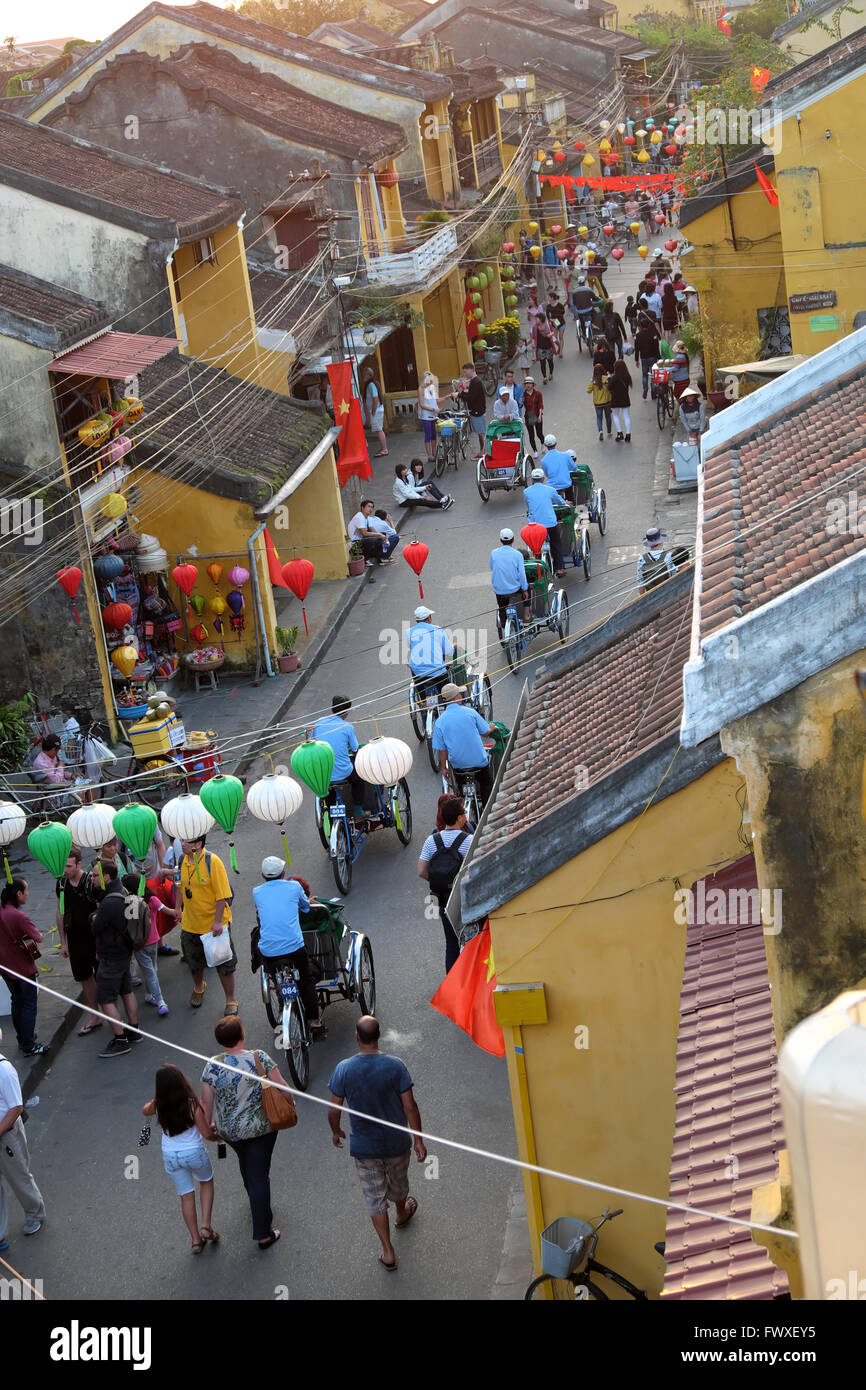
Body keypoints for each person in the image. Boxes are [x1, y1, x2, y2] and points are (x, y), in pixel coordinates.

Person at [328, 1016, 426, 1272]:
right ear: (379, 1034)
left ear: (357, 1038)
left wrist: (336, 1130)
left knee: (374, 1197)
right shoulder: (396, 1066)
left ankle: (388, 1250)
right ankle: (402, 1213)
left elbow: (333, 1108)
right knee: (398, 1183)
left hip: (365, 1148)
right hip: (396, 1143)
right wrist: (419, 1140)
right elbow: (410, 1106)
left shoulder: (344, 1069)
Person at [200, 1016, 290, 1250]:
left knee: (247, 1163)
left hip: (230, 1132)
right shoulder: (259, 1057)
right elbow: (282, 1086)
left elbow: (205, 1102)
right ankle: (263, 1233)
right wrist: (290, 1104)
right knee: (260, 1173)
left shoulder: (212, 1065)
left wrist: (208, 1128)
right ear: (242, 1035)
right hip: (261, 1127)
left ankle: (254, 1199)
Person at [142, 1064, 217, 1253]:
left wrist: (159, 1098)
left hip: (171, 1155)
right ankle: (206, 1226)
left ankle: (195, 1241)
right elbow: (206, 1133)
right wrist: (217, 1136)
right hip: (193, 1152)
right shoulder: (192, 1105)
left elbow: (145, 1111)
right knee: (206, 1182)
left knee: (186, 1196)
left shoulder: (158, 1105)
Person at [252, 859, 324, 1037]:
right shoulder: (293, 887)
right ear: (283, 874)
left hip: (268, 951)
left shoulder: (257, 892)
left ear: (263, 876)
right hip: (294, 948)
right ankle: (314, 1022)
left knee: (273, 971)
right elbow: (306, 908)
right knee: (306, 980)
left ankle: (279, 987)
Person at [177, 838, 238, 1016]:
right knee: (193, 961)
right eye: (182, 840)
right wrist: (177, 908)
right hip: (190, 924)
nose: (182, 844)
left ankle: (230, 999)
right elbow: (180, 886)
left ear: (198, 844)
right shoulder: (182, 860)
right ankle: (199, 986)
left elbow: (222, 896)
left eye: (187, 841)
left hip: (214, 926)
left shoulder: (213, 862)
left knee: (224, 964)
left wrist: (218, 921)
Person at [90, 861, 141, 1058]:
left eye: (95, 875)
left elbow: (95, 928)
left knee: (106, 999)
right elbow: (133, 919)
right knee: (126, 990)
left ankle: (120, 1040)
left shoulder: (109, 901)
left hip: (111, 955)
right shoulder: (127, 892)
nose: (92, 879)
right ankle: (134, 1030)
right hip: (126, 951)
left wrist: (95, 916)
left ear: (106, 877)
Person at [0, 1039, 46, 1249]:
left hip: (7, 1135)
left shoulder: (4, 1071)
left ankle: (35, 1214)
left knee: (19, 1177)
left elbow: (16, 1107)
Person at [418, 798, 472, 974]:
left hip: (442, 899)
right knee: (470, 942)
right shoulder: (469, 841)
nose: (465, 816)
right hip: (465, 900)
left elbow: (421, 871)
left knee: (451, 944)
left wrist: (439, 882)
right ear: (458, 819)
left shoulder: (431, 841)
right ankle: (469, 982)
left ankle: (452, 986)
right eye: (463, 813)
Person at [55, 849, 102, 1035]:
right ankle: (95, 1014)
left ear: (79, 864)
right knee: (84, 977)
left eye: (69, 866)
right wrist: (63, 942)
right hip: (75, 939)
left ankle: (110, 1012)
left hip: (94, 937)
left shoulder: (91, 881)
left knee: (102, 975)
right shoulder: (61, 883)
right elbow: (60, 913)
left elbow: (101, 909)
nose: (65, 870)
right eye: (64, 866)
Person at [312, 695, 380, 820]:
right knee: (359, 779)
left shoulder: (319, 723)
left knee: (328, 786)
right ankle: (358, 810)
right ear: (347, 712)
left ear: (332, 708)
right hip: (343, 772)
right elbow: (355, 750)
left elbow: (312, 742)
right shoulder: (347, 726)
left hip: (323, 773)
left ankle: (331, 814)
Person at [432, 683, 496, 810]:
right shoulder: (470, 712)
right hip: (479, 762)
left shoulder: (440, 722)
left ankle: (463, 806)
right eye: (460, 694)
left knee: (460, 790)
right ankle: (488, 809)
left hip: (458, 766)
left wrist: (444, 768)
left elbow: (441, 749)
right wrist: (491, 727)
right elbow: (485, 732)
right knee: (486, 784)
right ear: (456, 697)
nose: (461, 696)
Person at [0, 880, 44, 1058]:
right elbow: (38, 937)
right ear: (18, 893)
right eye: (26, 891)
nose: (27, 894)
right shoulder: (19, 917)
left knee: (16, 1002)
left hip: (6, 967)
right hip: (23, 968)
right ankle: (29, 1044)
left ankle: (22, 1038)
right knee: (28, 1005)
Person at [121, 874, 169, 1017]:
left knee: (152, 970)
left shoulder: (130, 903)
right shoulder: (152, 899)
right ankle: (160, 1001)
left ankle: (150, 995)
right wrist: (180, 913)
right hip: (153, 940)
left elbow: (129, 926)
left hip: (139, 943)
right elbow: (167, 910)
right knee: (151, 970)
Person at [407, 606, 454, 702]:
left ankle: (424, 702)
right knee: (448, 694)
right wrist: (449, 660)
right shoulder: (438, 629)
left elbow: (411, 647)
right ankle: (447, 702)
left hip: (419, 673)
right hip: (438, 672)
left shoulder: (408, 632)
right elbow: (449, 652)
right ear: (428, 618)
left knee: (415, 671)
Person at [524, 468, 566, 575]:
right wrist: (566, 503)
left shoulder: (526, 492)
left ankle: (538, 564)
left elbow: (528, 505)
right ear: (543, 479)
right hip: (550, 523)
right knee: (556, 544)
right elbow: (560, 502)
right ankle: (559, 568)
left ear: (532, 480)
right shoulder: (550, 490)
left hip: (535, 525)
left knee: (536, 546)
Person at [489, 527, 530, 627]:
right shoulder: (517, 555)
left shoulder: (493, 553)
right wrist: (524, 590)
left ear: (500, 540)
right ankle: (527, 615)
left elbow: (492, 567)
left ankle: (503, 623)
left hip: (499, 590)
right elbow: (521, 574)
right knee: (528, 588)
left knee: (501, 607)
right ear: (513, 540)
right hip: (514, 590)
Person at [348, 499, 394, 567]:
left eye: (372, 507)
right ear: (362, 508)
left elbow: (373, 531)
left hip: (361, 543)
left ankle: (379, 557)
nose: (370, 509)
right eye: (368, 506)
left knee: (381, 536)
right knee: (373, 539)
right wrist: (378, 535)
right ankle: (365, 560)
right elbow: (364, 533)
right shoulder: (359, 517)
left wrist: (383, 538)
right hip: (354, 547)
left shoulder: (367, 518)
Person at [417, 370, 449, 462]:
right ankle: (429, 455)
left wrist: (446, 397)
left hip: (434, 415)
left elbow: (436, 400)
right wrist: (433, 409)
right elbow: (422, 405)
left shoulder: (432, 388)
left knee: (434, 435)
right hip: (426, 416)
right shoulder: (421, 389)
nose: (431, 381)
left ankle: (434, 453)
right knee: (428, 435)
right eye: (429, 380)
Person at [457, 361, 487, 454]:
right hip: (477, 411)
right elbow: (471, 395)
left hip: (478, 411)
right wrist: (462, 392)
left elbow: (471, 397)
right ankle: (482, 451)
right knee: (480, 433)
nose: (465, 374)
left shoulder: (476, 382)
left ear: (471, 370)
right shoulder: (474, 382)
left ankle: (485, 452)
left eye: (466, 372)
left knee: (481, 433)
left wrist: (460, 394)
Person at [637, 527, 677, 593]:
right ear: (660, 542)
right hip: (667, 591)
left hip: (651, 593)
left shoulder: (642, 559)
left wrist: (641, 597)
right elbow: (674, 575)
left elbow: (641, 582)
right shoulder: (668, 556)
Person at [361, 366, 388, 457]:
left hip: (376, 410)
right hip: (378, 409)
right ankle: (383, 448)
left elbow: (375, 398)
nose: (362, 377)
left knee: (379, 430)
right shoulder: (373, 383)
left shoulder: (371, 384)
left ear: (368, 375)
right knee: (379, 429)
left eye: (364, 375)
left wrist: (373, 411)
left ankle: (384, 449)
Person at [539, 434, 575, 500]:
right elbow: (574, 468)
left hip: (553, 487)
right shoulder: (565, 455)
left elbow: (547, 474)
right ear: (556, 443)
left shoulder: (543, 460)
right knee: (571, 501)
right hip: (566, 485)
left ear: (545, 445)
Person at [635, 314, 662, 399]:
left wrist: (636, 360)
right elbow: (656, 347)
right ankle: (654, 391)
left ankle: (645, 388)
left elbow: (637, 349)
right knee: (654, 374)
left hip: (643, 358)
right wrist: (659, 357)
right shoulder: (653, 334)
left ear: (641, 326)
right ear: (649, 325)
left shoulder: (638, 336)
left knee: (644, 374)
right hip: (653, 356)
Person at [607, 359, 632, 444]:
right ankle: (628, 435)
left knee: (615, 415)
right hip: (625, 398)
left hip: (615, 399)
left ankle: (619, 433)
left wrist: (609, 379)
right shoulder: (627, 376)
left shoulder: (614, 377)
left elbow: (609, 388)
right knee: (626, 416)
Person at [587, 364, 613, 442]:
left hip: (597, 403)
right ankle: (609, 431)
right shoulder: (606, 379)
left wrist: (591, 382)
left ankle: (600, 431)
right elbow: (611, 387)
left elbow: (588, 391)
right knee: (608, 416)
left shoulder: (594, 381)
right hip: (607, 401)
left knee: (599, 417)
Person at [522, 377, 544, 455]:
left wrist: (540, 416)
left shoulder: (538, 393)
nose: (528, 385)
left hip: (537, 415)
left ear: (533, 384)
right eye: (526, 383)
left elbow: (541, 404)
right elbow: (520, 404)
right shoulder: (523, 395)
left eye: (529, 383)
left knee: (539, 433)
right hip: (528, 417)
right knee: (531, 435)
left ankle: (542, 443)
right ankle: (535, 450)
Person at [533, 312, 556, 383]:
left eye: (537, 318)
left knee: (550, 362)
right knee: (542, 363)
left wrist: (550, 334)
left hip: (548, 346)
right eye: (535, 318)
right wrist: (533, 343)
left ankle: (551, 374)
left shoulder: (548, 325)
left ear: (541, 319)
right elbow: (533, 337)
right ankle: (544, 377)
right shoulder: (535, 327)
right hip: (540, 348)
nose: (536, 320)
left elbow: (554, 331)